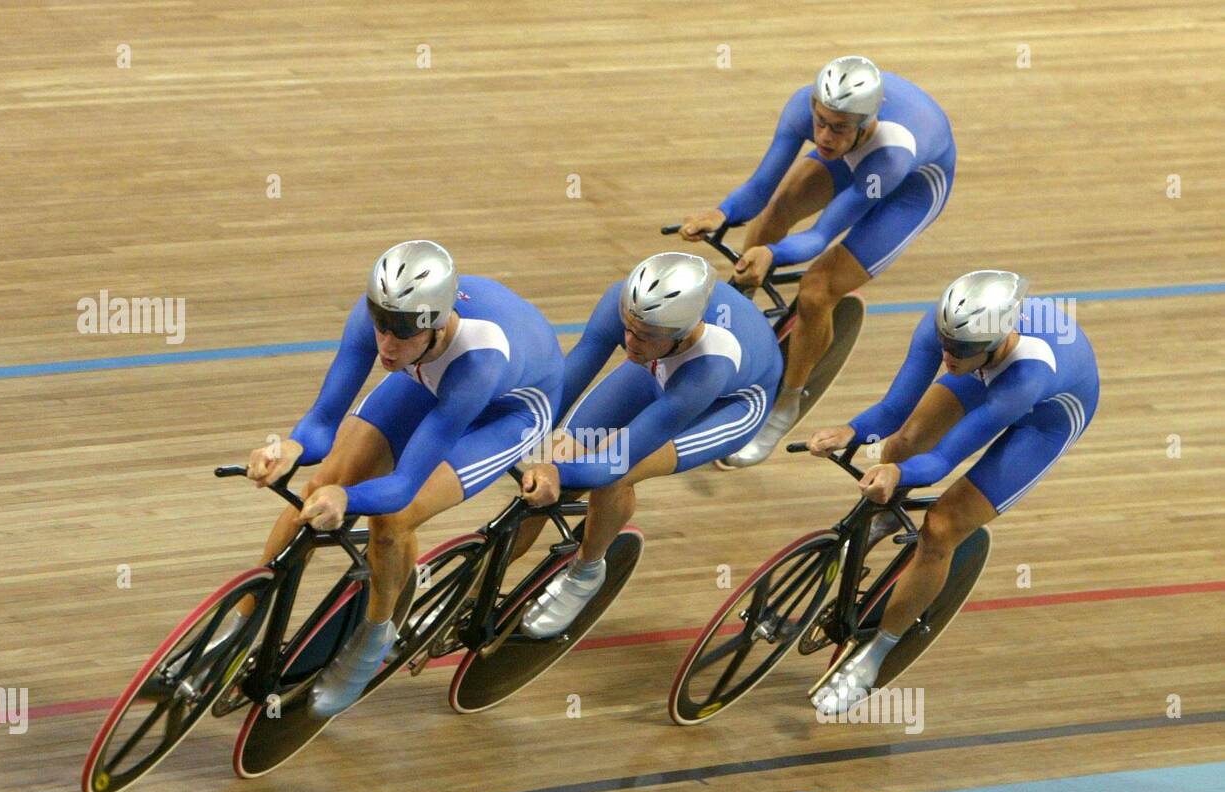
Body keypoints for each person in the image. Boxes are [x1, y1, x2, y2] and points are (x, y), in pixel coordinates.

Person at [238, 240, 563, 717]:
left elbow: (403, 485)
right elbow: (324, 419)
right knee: (312, 490)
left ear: (434, 324)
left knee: (392, 520)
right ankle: (235, 632)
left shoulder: (478, 362)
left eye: (401, 335)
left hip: (509, 409)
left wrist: (347, 499)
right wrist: (292, 448)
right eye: (381, 329)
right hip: (430, 377)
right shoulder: (386, 318)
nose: (385, 347)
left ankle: (373, 639)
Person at [805, 270, 1100, 714]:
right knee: (902, 443)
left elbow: (944, 461)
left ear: (997, 339)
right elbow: (893, 409)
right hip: (987, 372)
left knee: (941, 528)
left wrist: (898, 476)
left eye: (959, 349)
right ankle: (886, 514)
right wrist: (851, 430)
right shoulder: (954, 334)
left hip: (1046, 419)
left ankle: (875, 656)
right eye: (945, 342)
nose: (947, 355)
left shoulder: (1025, 377)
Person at [678, 55, 957, 467]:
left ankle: (784, 406)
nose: (824, 135)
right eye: (820, 122)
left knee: (817, 289)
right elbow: (759, 189)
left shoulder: (891, 155)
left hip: (910, 188)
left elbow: (823, 235)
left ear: (864, 123)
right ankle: (738, 321)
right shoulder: (805, 109)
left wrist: (772, 254)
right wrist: (723, 212)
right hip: (858, 157)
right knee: (777, 210)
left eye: (838, 128)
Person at [517, 252, 782, 636]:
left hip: (731, 405)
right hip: (659, 366)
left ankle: (586, 573)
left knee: (614, 478)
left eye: (644, 335)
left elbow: (617, 458)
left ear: (683, 330)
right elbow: (569, 380)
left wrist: (559, 473)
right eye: (628, 327)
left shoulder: (710, 367)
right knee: (554, 456)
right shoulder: (632, 310)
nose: (629, 340)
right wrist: (526, 434)